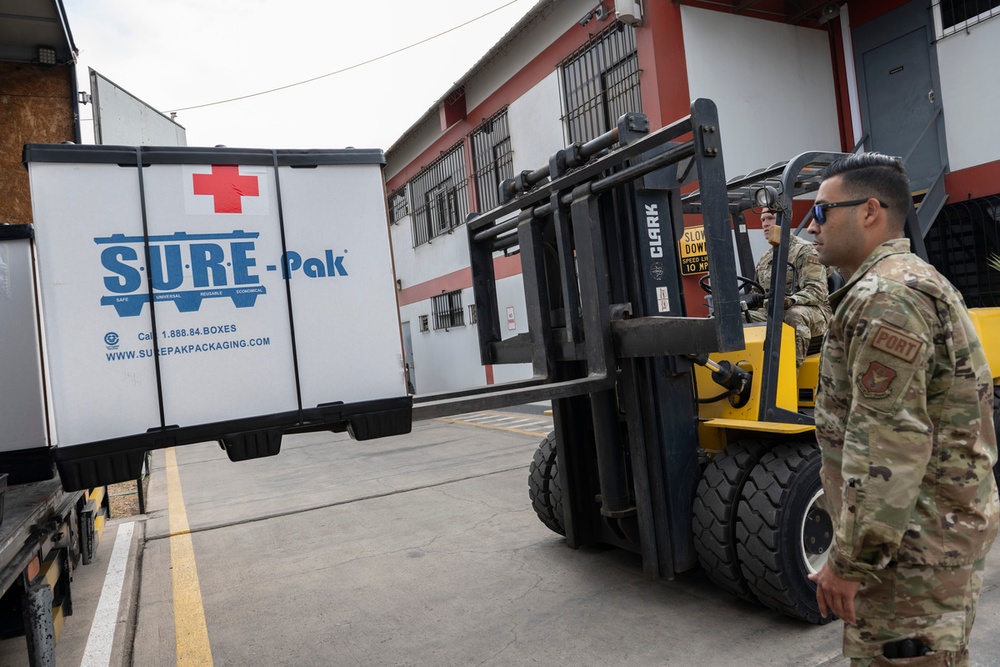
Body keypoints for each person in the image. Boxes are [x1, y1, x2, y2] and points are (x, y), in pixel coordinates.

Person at [806, 152, 998, 667]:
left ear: (870, 211)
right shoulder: (898, 283)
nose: (811, 226)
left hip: (913, 550)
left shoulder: (886, 296)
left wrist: (849, 562)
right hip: (917, 539)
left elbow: (889, 447)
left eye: (821, 211)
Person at [745, 207, 832, 366]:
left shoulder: (805, 251)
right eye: (762, 220)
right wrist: (750, 300)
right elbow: (756, 291)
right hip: (773, 311)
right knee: (736, 318)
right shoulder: (765, 258)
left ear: (784, 220)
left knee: (793, 315)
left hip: (813, 312)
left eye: (770, 218)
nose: (765, 224)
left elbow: (816, 290)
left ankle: (789, 375)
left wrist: (791, 300)